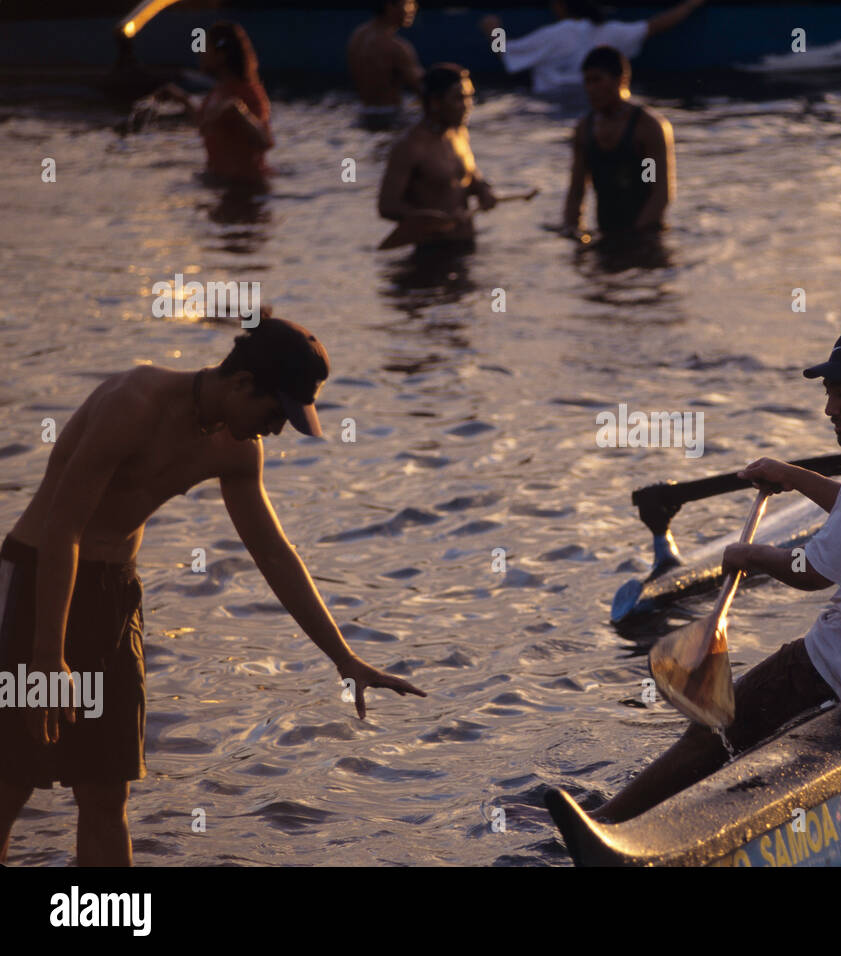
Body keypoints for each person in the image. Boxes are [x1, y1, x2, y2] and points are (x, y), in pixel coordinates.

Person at [0, 317, 426, 865]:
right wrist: (46, 657)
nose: (274, 431)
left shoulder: (236, 448)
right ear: (241, 383)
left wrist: (343, 656)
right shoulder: (133, 403)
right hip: (39, 581)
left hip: (114, 597)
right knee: (12, 778)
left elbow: (273, 553)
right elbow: (64, 530)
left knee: (107, 792)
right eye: (274, 415)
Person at [593, 323, 841, 822]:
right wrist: (793, 476)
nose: (830, 409)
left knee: (711, 728)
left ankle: (608, 826)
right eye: (829, 394)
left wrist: (752, 556)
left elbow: (814, 571)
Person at [378, 64, 497, 255]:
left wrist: (484, 189)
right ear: (435, 102)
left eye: (469, 96)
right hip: (430, 253)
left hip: (467, 245)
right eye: (459, 98)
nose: (468, 105)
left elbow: (470, 175)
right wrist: (435, 219)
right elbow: (387, 206)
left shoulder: (459, 134)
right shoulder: (409, 147)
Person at [479, 0, 707, 96]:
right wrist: (691, 4)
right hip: (598, 102)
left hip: (551, 103)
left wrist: (493, 29)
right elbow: (657, 25)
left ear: (560, 6)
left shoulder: (554, 35)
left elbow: (504, 51)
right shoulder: (612, 32)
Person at [562, 46, 673, 238]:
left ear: (620, 80)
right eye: (587, 81)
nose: (591, 89)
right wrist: (572, 230)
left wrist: (635, 236)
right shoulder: (584, 130)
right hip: (606, 233)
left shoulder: (646, 128)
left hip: (645, 234)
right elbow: (576, 192)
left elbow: (658, 194)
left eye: (597, 80)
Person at [154, 22, 273, 189]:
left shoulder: (248, 93)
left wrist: (238, 112)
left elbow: (264, 141)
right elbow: (205, 123)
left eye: (205, 48)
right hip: (220, 185)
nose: (200, 53)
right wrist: (182, 98)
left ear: (221, 55)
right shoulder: (216, 93)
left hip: (247, 189)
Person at [347, 0, 425, 131]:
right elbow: (426, 90)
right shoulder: (396, 48)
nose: (414, 8)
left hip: (363, 115)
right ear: (390, 6)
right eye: (408, 3)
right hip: (391, 119)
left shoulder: (358, 36)